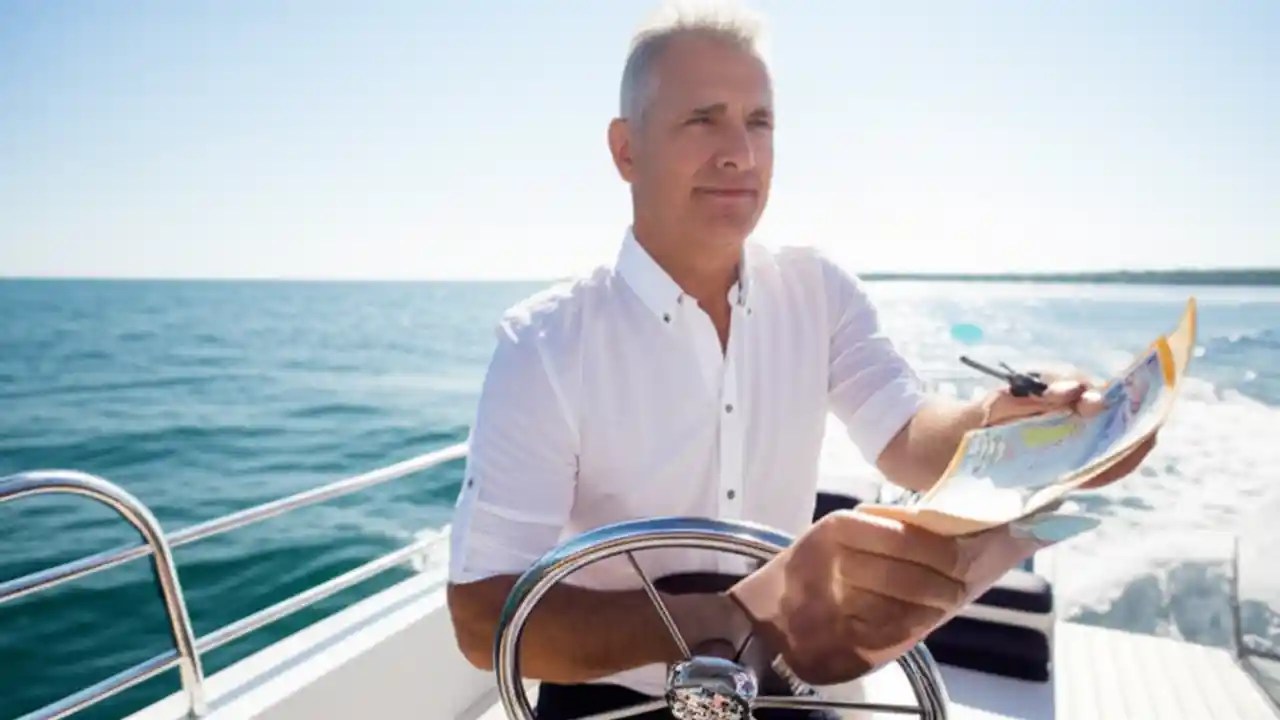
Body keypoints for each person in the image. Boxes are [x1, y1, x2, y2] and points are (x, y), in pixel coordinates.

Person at [445, 4, 1155, 718]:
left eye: (759, 122)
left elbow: (909, 437)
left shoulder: (817, 292)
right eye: (703, 120)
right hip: (609, 698)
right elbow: (483, 617)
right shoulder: (542, 346)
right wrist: (727, 619)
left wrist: (1012, 422)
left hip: (779, 688)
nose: (740, 154)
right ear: (626, 150)